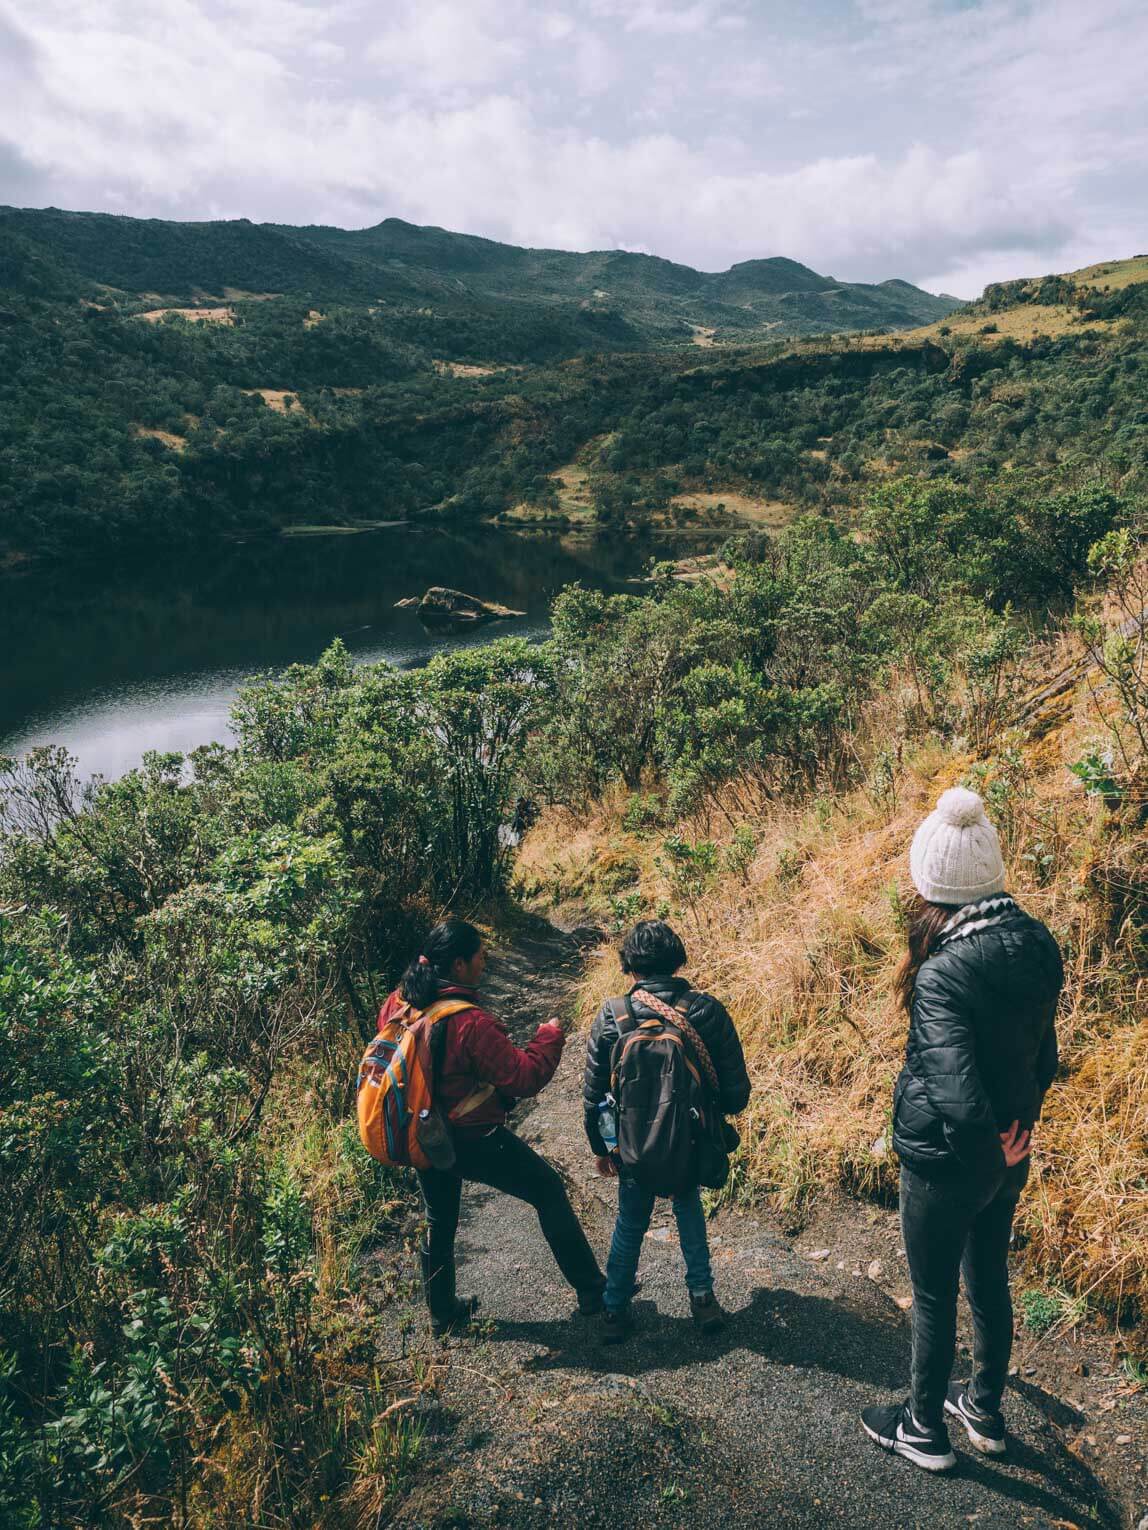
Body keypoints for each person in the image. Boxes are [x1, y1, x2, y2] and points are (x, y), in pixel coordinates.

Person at [861, 787, 1062, 1471]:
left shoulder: (943, 970)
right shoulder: (1038, 944)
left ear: (931, 884)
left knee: (934, 1294)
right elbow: (1047, 1058)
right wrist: (1014, 1138)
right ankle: (983, 1409)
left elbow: (953, 1091)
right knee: (990, 1280)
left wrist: (985, 1150)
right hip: (1012, 1146)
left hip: (950, 1160)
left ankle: (921, 1428)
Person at [383, 918, 605, 1336]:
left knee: (439, 1222)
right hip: (473, 1138)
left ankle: (442, 1313)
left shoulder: (398, 1004)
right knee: (548, 1191)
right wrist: (549, 1035)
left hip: (424, 1136)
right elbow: (523, 1078)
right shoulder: (470, 1024)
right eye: (480, 955)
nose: (486, 960)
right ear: (461, 965)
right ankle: (593, 1292)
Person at [583, 919, 751, 1344]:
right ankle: (702, 1298)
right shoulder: (704, 1010)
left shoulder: (613, 1015)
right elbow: (736, 1094)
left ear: (629, 967)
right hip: (688, 1140)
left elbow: (594, 1096)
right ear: (678, 960)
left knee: (629, 1221)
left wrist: (603, 1149)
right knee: (688, 1205)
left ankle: (615, 1309)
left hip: (632, 1144)